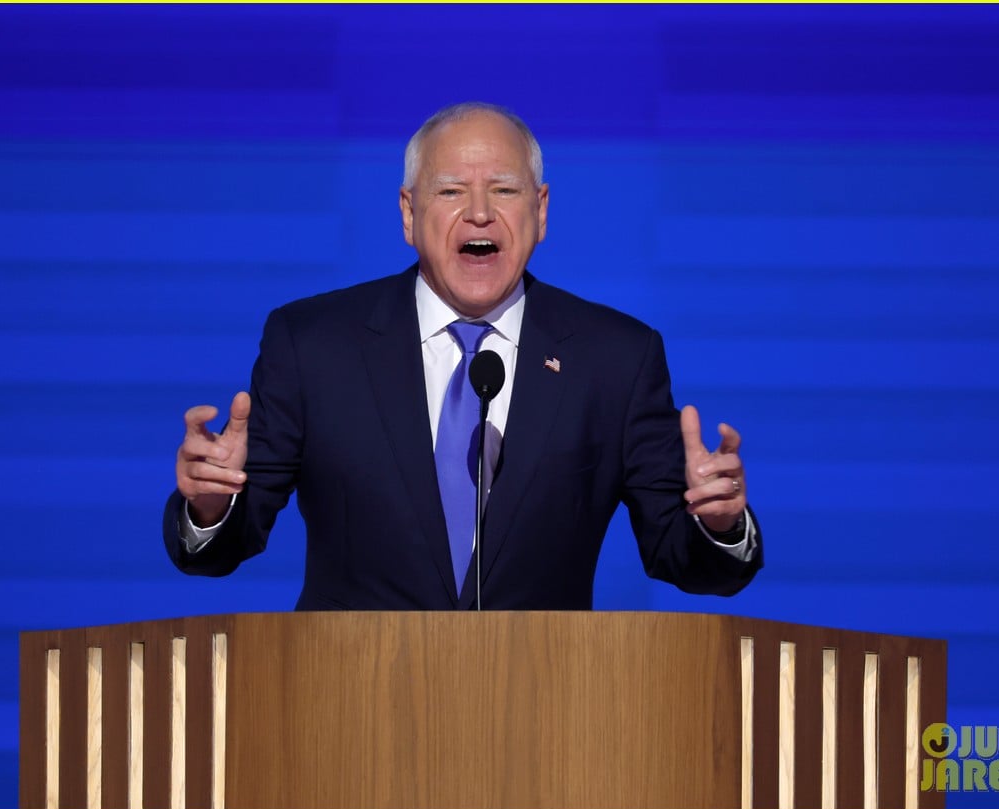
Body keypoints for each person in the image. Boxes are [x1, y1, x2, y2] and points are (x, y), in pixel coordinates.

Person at [163, 102, 762, 610]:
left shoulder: (616, 358)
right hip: (349, 694)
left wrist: (718, 523)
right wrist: (212, 507)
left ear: (541, 211)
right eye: (451, 191)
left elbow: (686, 559)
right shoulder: (313, 343)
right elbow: (221, 550)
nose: (480, 212)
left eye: (504, 189)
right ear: (408, 213)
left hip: (547, 697)